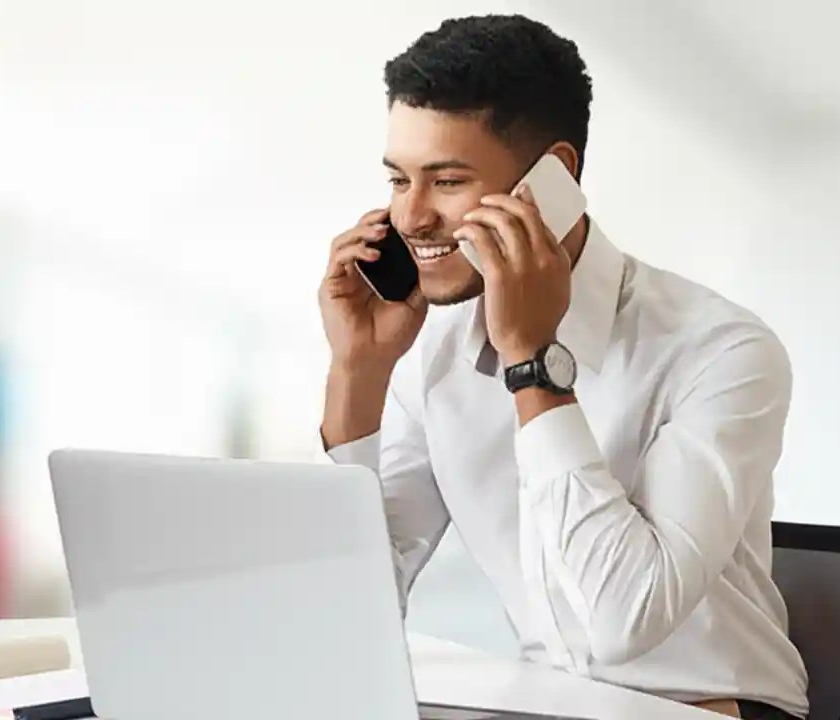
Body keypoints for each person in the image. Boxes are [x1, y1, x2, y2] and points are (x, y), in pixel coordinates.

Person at [317, 14, 809, 720]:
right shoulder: (436, 350)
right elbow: (349, 607)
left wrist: (531, 363)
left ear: (554, 178)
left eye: (446, 181)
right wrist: (357, 375)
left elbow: (622, 624)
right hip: (546, 706)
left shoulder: (721, 349)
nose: (411, 217)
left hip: (710, 709)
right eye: (399, 180)